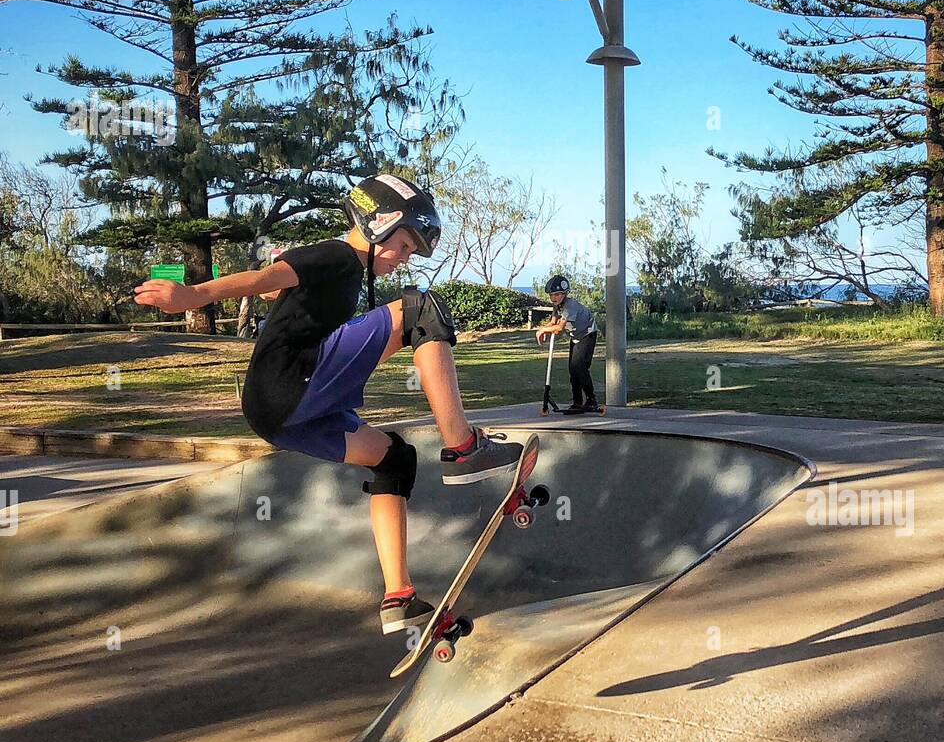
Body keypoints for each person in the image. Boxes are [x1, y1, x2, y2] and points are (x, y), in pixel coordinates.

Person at [133, 175, 521, 634]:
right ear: (378, 225)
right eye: (402, 246)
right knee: (419, 310)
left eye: (411, 253)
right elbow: (269, 276)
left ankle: (399, 596)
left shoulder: (347, 273)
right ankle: (462, 447)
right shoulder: (334, 254)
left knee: (395, 459)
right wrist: (194, 295)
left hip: (277, 415)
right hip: (291, 381)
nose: (402, 259)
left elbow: (281, 293)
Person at [535, 274, 601, 414]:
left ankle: (591, 400)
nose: (554, 298)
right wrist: (545, 330)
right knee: (572, 370)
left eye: (557, 294)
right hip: (575, 337)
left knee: (579, 367)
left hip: (587, 334)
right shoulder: (558, 306)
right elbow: (553, 323)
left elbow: (559, 329)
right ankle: (577, 402)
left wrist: (542, 330)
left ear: (565, 293)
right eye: (551, 295)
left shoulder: (570, 306)